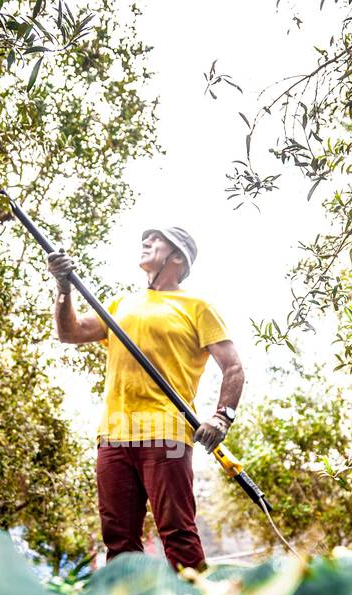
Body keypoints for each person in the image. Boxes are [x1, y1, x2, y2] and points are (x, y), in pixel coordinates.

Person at [47, 227, 244, 572]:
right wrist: (63, 287)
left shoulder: (197, 306)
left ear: (177, 257)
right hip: (114, 435)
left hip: (166, 431)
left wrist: (222, 417)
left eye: (157, 241)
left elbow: (234, 367)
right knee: (118, 540)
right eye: (146, 239)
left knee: (177, 532)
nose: (146, 244)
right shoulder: (122, 304)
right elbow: (70, 332)